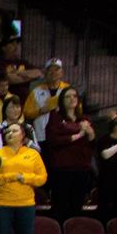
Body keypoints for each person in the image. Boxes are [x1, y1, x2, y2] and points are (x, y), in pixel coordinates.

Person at [0, 122, 46, 234]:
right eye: (7, 132)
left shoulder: (33, 154)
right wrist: (10, 177)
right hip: (1, 203)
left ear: (23, 135)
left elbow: (42, 178)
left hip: (26, 204)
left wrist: (25, 178)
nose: (10, 134)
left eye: (14, 131)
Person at [41, 89, 96, 223]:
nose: (72, 99)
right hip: (62, 169)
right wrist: (78, 135)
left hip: (82, 168)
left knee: (77, 206)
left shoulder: (85, 118)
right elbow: (53, 140)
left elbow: (92, 142)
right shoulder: (56, 117)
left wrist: (89, 132)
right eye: (68, 96)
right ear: (62, 100)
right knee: (60, 206)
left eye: (74, 96)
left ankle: (74, 232)